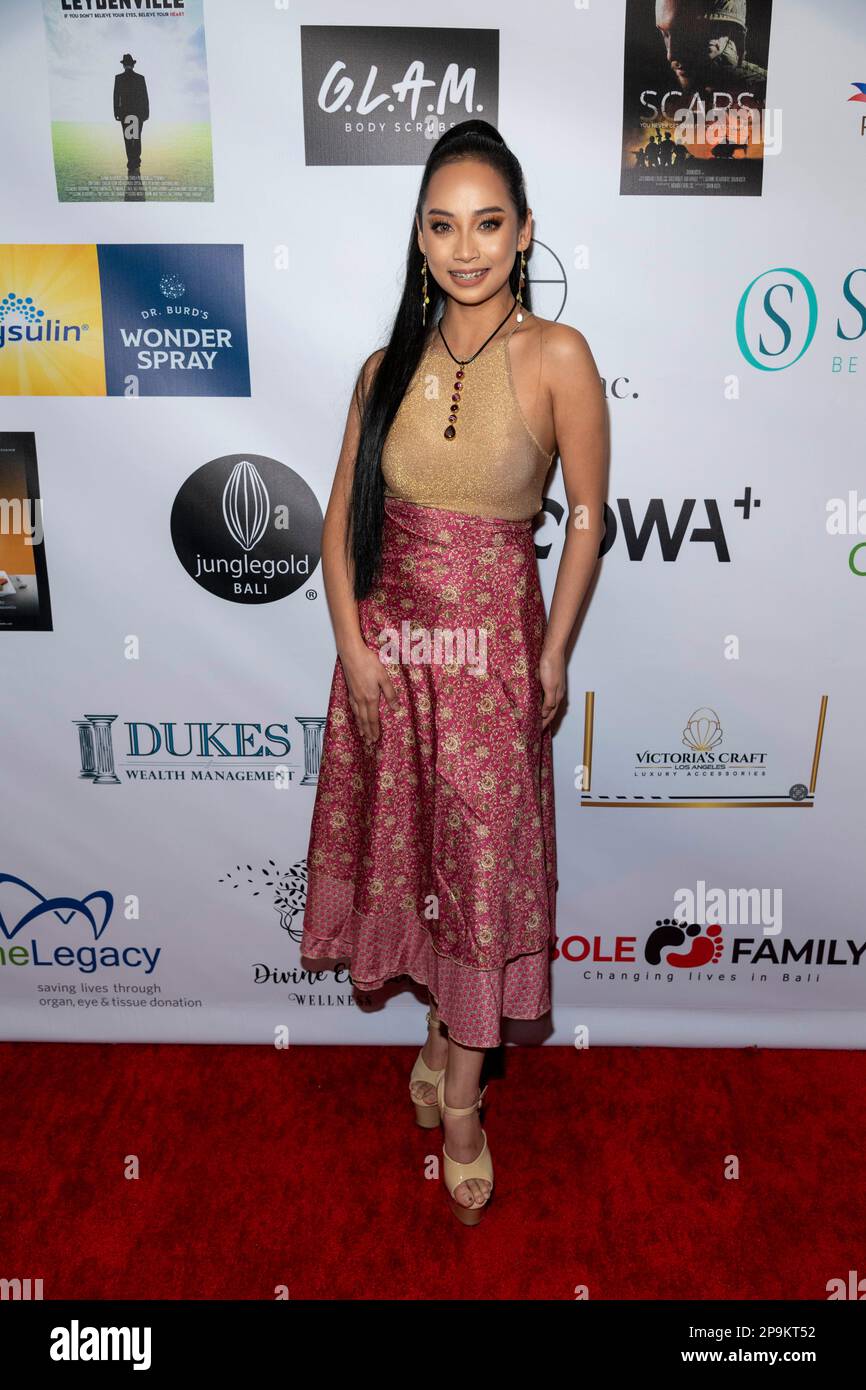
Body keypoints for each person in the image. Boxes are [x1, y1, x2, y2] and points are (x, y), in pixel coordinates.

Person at [300, 119, 607, 1225]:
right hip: (390, 663)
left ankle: (465, 1106)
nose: (464, 246)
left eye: (487, 223)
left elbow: (585, 522)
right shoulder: (384, 367)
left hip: (488, 677)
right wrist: (352, 647)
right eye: (442, 224)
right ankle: (436, 1031)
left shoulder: (558, 356)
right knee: (410, 858)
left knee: (478, 882)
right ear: (419, 238)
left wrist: (553, 651)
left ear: (523, 235)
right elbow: (338, 524)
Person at [113, 54, 149, 172]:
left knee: (128, 138)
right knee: (137, 137)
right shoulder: (140, 78)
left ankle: (131, 162)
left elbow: (116, 97)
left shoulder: (118, 78)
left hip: (125, 114)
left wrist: (116, 112)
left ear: (123, 65)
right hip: (138, 113)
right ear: (133, 65)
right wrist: (146, 113)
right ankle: (136, 161)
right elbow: (145, 97)